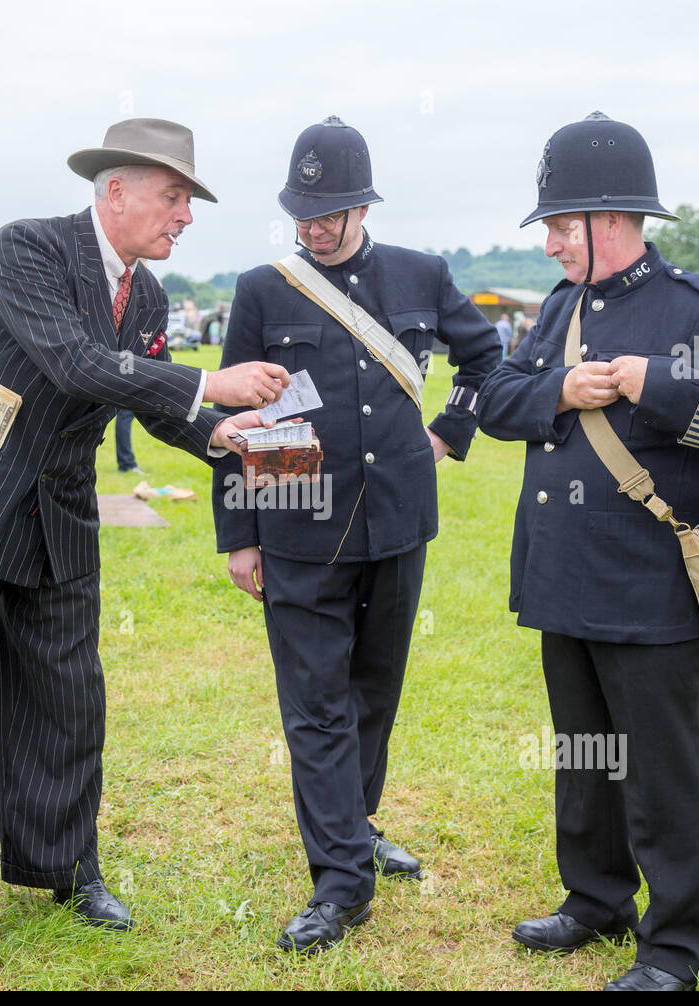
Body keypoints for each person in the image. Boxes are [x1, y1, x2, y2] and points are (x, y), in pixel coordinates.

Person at [0, 118, 289, 931]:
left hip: (58, 513)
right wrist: (210, 384)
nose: (185, 215)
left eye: (189, 200)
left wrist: (220, 435)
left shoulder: (149, 295)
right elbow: (76, 362)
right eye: (173, 196)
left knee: (67, 697)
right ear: (115, 191)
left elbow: (145, 401)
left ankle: (66, 869)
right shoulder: (29, 249)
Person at [477, 112, 699, 989]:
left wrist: (654, 382)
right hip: (565, 578)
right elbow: (494, 397)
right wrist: (560, 387)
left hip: (655, 589)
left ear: (609, 220)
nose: (548, 243)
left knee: (665, 771)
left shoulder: (696, 310)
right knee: (585, 755)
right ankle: (595, 898)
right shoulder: (559, 311)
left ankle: (677, 944)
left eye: (557, 225)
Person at [212, 117, 502, 952]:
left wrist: (451, 429)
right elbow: (238, 416)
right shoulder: (263, 288)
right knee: (316, 705)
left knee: (375, 689)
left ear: (363, 205)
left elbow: (486, 361)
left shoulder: (422, 274)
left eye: (330, 210)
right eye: (304, 211)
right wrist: (240, 534)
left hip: (397, 520)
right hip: (297, 519)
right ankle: (341, 880)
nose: (315, 225)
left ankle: (355, 821)